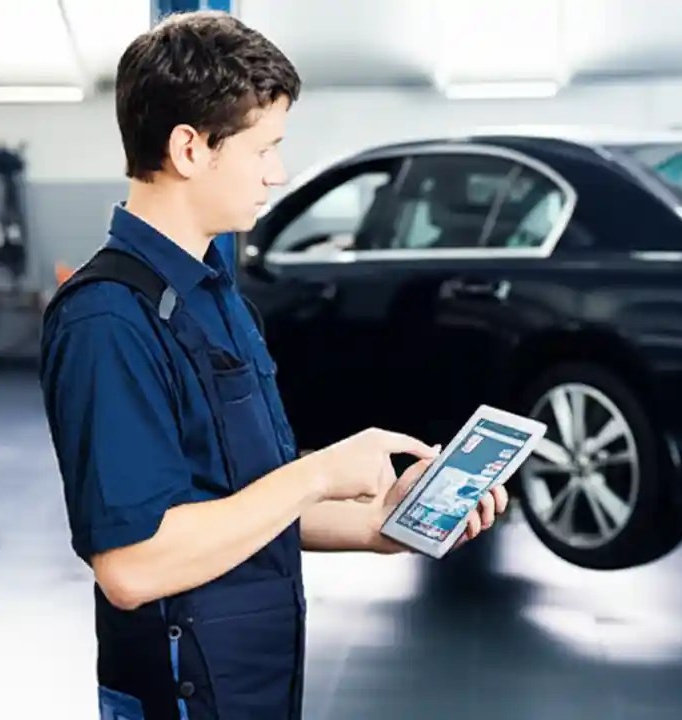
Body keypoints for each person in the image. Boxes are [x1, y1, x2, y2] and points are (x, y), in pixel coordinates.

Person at [38, 11, 507, 720]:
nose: (277, 173)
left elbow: (246, 499)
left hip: (255, 689)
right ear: (190, 149)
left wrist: (380, 520)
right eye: (264, 148)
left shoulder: (218, 298)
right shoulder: (108, 319)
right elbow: (132, 566)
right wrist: (320, 472)